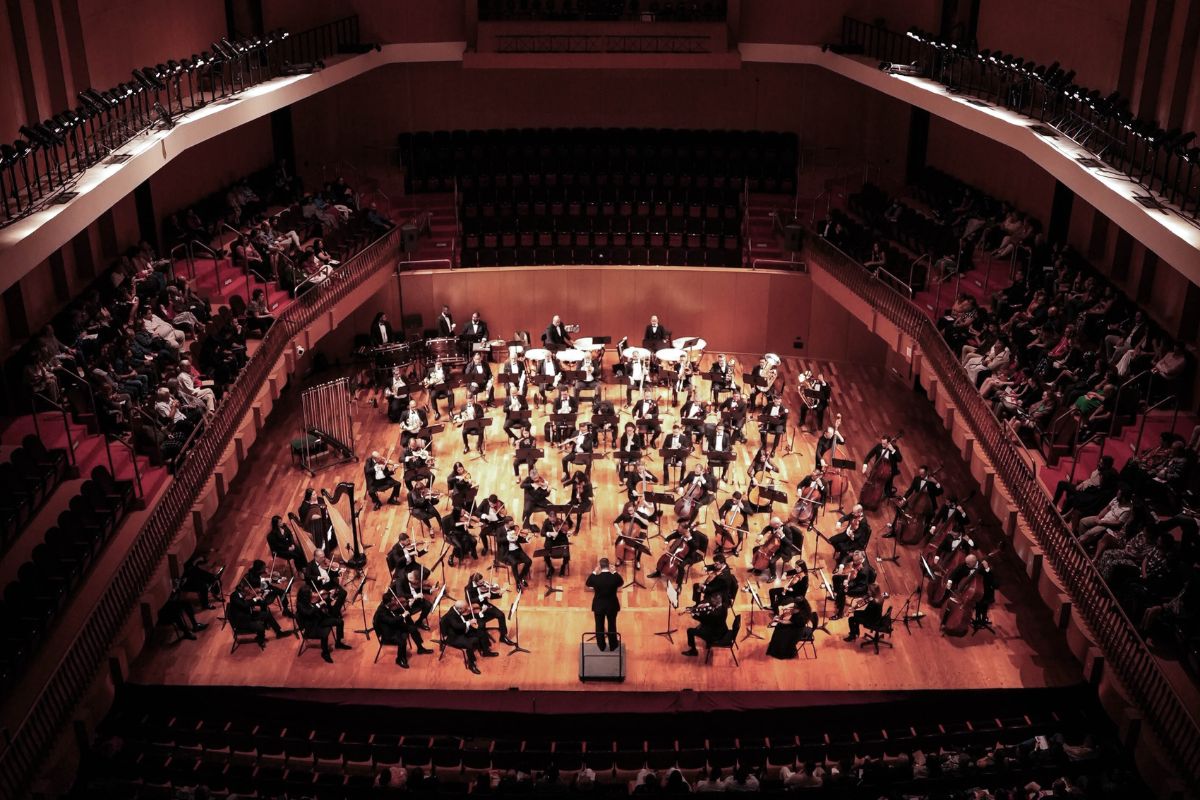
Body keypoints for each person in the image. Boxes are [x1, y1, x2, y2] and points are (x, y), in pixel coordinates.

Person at [439, 599, 497, 674]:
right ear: (459, 609)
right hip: (453, 636)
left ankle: (485, 651)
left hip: (461, 630)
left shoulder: (456, 608)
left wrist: (478, 614)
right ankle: (471, 664)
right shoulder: (451, 615)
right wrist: (469, 622)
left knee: (481, 631)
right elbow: (457, 626)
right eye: (465, 608)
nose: (467, 609)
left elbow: (462, 622)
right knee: (469, 644)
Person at [586, 558, 624, 651]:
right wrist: (614, 571)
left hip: (599, 606)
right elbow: (621, 582)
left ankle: (601, 646)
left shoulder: (596, 578)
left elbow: (588, 583)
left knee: (599, 626)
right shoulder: (614, 578)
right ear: (609, 565)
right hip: (612, 605)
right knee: (612, 625)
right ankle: (613, 645)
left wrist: (594, 571)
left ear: (600, 566)